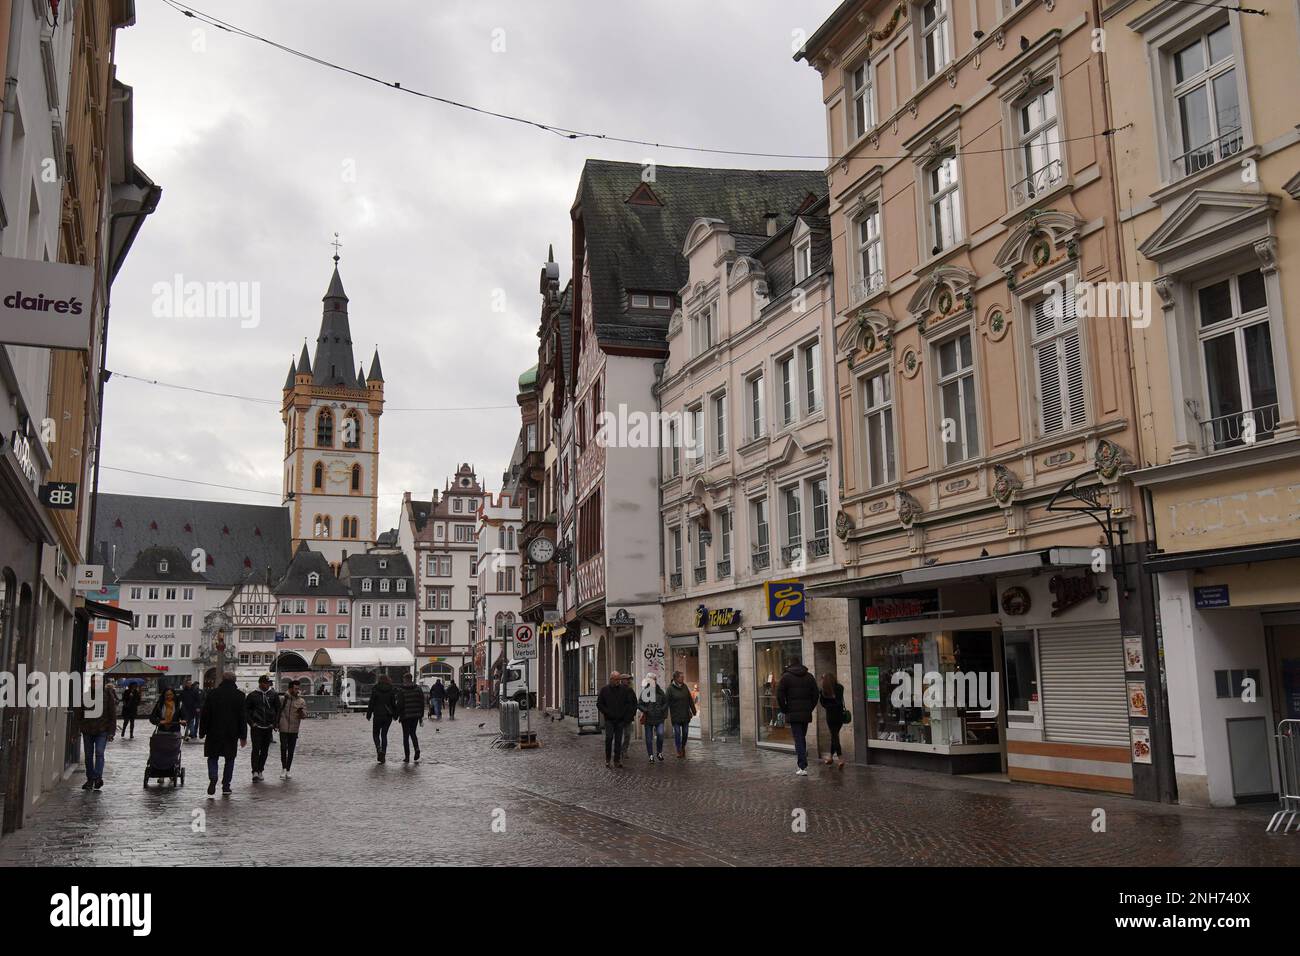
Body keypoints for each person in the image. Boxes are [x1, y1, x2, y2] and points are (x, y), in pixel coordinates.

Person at [199, 672, 247, 795]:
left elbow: (205, 714)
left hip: (213, 731)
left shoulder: (213, 693)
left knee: (212, 756)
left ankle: (213, 776)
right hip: (231, 733)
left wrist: (202, 731)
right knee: (230, 759)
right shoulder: (240, 695)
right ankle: (226, 785)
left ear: (222, 680)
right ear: (234, 681)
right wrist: (243, 736)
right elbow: (242, 717)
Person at [777, 658, 820, 775]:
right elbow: (816, 694)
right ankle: (802, 763)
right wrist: (809, 707)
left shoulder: (786, 677)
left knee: (799, 738)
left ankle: (802, 766)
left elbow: (779, 695)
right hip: (805, 713)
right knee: (801, 737)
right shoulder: (809, 677)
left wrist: (785, 709)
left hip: (793, 713)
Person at [77, 674, 117, 791]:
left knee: (99, 753)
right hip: (88, 730)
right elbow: (79, 714)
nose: (96, 683)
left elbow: (112, 714)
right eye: (93, 681)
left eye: (98, 681)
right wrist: (79, 728)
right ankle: (90, 779)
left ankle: (97, 777)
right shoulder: (85, 696)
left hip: (102, 730)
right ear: (90, 682)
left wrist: (111, 732)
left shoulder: (107, 696)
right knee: (88, 756)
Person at [596, 671, 636, 768]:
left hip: (620, 720)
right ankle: (608, 759)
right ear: (611, 679)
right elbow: (599, 704)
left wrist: (625, 715)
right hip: (609, 720)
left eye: (619, 679)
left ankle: (617, 760)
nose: (618, 681)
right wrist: (607, 712)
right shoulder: (604, 690)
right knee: (609, 738)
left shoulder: (624, 690)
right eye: (616, 679)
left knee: (618, 740)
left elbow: (628, 703)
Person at [245, 675, 280, 781]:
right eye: (265, 683)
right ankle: (254, 771)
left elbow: (278, 710)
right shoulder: (252, 695)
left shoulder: (273, 695)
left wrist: (275, 723)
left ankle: (260, 770)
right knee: (256, 749)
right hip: (257, 726)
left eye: (268, 683)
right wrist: (251, 723)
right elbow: (246, 710)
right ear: (260, 683)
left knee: (265, 750)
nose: (267, 685)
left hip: (268, 726)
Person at [366, 673, 398, 762]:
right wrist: (395, 715)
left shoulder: (375, 689)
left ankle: (378, 749)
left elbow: (371, 702)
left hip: (377, 715)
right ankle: (383, 752)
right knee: (384, 735)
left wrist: (369, 714)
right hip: (387, 716)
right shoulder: (391, 689)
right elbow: (393, 704)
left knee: (375, 734)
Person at [278, 680, 308, 776]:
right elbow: (277, 711)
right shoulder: (282, 699)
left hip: (294, 729)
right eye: (295, 688)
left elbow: (304, 716)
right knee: (283, 748)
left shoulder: (301, 701)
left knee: (291, 750)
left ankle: (288, 770)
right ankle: (283, 768)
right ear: (290, 688)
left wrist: (301, 712)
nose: (297, 690)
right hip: (283, 727)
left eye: (298, 688)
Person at [818, 672, 847, 768]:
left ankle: (840, 758)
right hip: (839, 716)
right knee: (834, 736)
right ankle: (830, 757)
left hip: (830, 716)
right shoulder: (840, 688)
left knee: (834, 736)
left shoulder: (823, 691)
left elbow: (823, 704)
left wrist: (829, 704)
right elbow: (839, 702)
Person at [637, 675, 668, 763]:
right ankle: (650, 755)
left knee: (660, 735)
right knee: (649, 738)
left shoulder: (660, 691)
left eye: (654, 679)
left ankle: (659, 752)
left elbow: (666, 702)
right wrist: (646, 710)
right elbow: (639, 704)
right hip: (649, 718)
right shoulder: (645, 692)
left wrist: (662, 709)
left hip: (659, 718)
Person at [665, 671, 696, 758]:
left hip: (685, 714)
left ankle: (682, 747)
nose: (683, 678)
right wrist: (664, 713)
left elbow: (690, 699)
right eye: (681, 677)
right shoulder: (670, 689)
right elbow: (666, 702)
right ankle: (678, 750)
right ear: (676, 678)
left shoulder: (685, 687)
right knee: (677, 733)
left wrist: (693, 710)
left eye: (683, 677)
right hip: (676, 715)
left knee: (685, 733)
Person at [396, 674, 425, 763]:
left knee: (406, 736)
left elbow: (400, 704)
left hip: (405, 716)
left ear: (405, 679)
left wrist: (396, 715)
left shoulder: (401, 690)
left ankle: (407, 756)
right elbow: (422, 702)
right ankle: (416, 748)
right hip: (415, 715)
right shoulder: (418, 689)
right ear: (411, 679)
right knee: (413, 733)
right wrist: (421, 715)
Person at [620, 673, 635, 756]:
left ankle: (624, 750)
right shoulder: (617, 690)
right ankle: (618, 750)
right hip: (618, 717)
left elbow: (634, 702)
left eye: (629, 679)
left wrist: (632, 712)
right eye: (627, 679)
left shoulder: (630, 690)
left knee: (627, 735)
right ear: (622, 680)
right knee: (618, 736)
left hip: (628, 717)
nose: (628, 681)